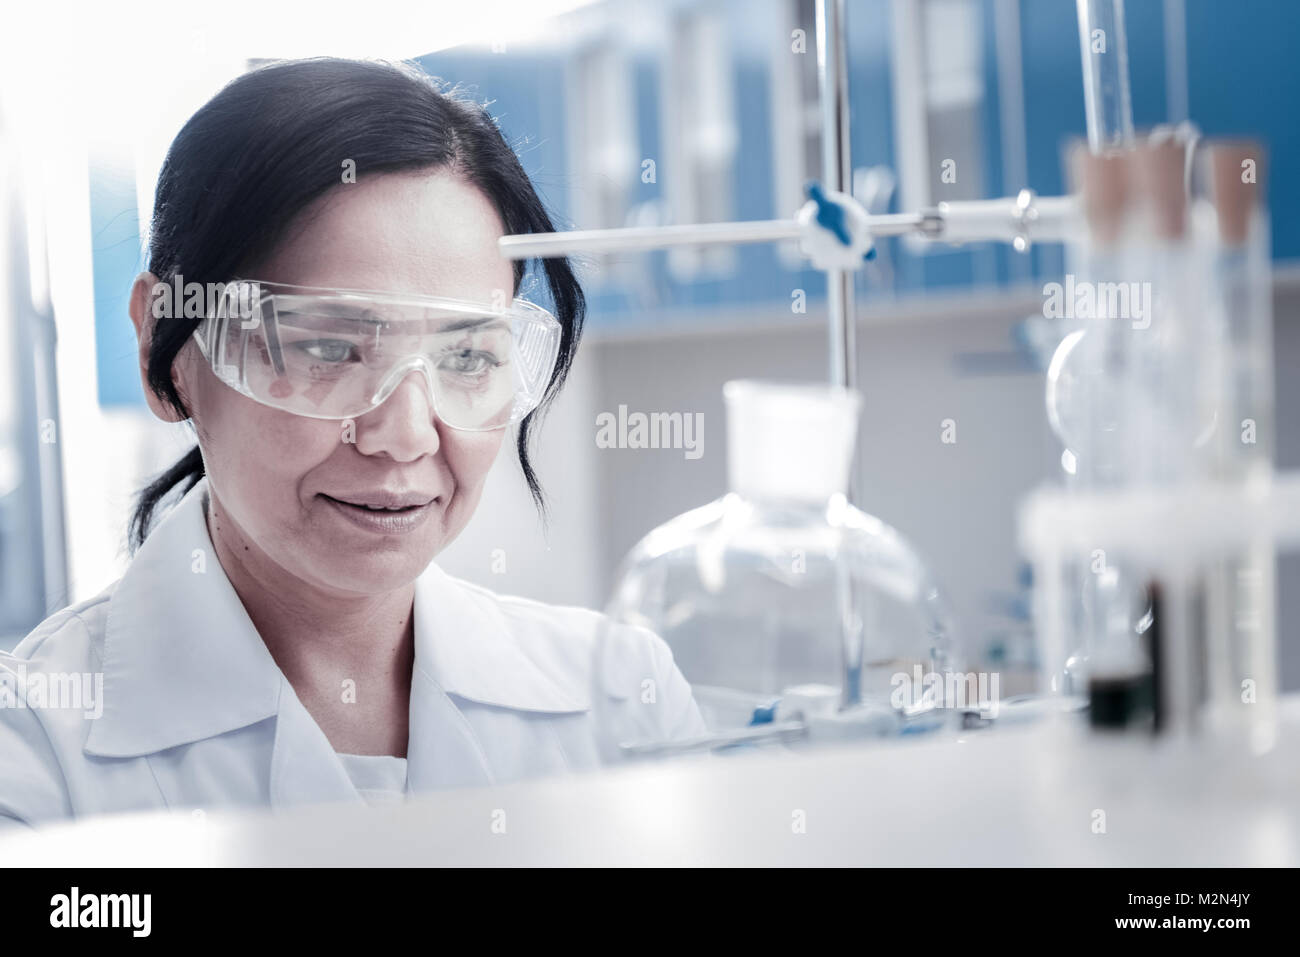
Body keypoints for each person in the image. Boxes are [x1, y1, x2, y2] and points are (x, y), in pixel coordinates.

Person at [0, 58, 703, 827]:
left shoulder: (621, 699)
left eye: (466, 357)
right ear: (164, 357)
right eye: (327, 349)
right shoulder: (35, 755)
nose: (403, 437)